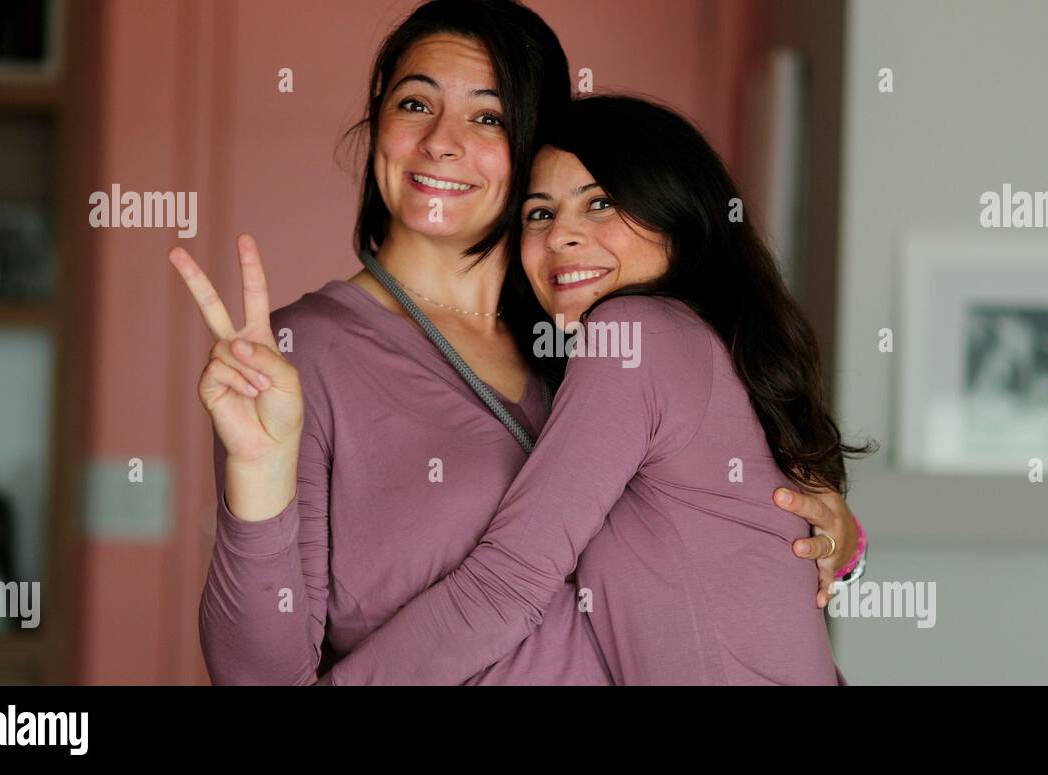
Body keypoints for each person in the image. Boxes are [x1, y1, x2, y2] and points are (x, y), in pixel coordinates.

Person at [170, 0, 867, 685]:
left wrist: (839, 539)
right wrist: (257, 474)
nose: (442, 140)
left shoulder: (592, 334)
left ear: (533, 144)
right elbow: (257, 675)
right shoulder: (302, 354)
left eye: (488, 116)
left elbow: (722, 542)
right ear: (377, 120)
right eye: (415, 103)